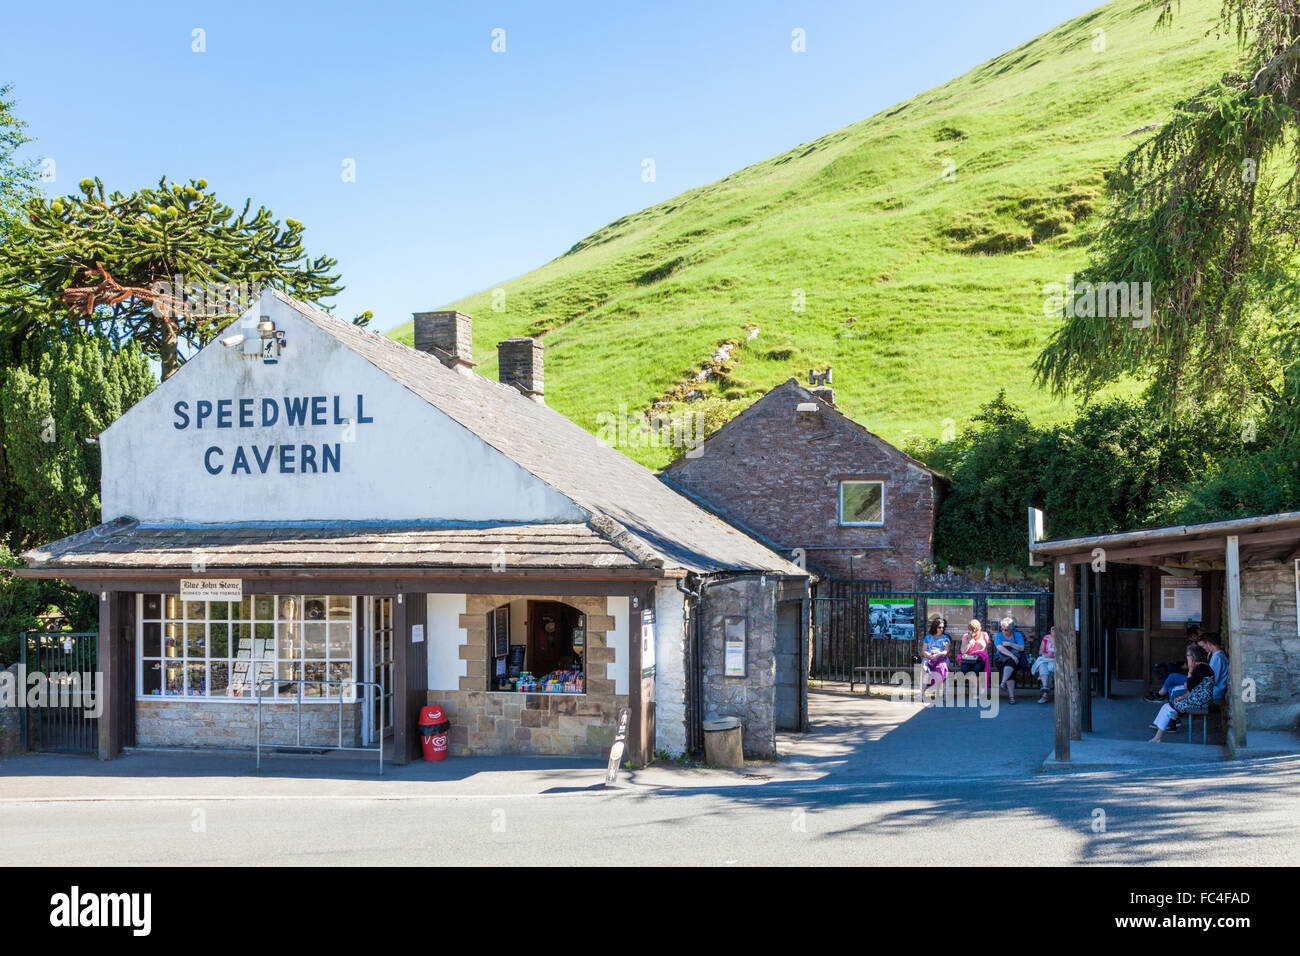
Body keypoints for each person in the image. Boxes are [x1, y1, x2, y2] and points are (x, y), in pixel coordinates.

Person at [1150, 644, 1215, 742]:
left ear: (1192, 657)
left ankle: (1158, 737)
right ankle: (1158, 737)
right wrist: (1183, 696)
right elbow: (1193, 688)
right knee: (1167, 706)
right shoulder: (1203, 667)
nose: (1187, 658)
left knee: (1167, 708)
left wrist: (1190, 669)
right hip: (1198, 698)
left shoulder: (1199, 669)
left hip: (1199, 701)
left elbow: (1188, 685)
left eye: (1188, 656)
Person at [1145, 624, 1203, 702]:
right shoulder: (1194, 646)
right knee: (1171, 668)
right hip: (1196, 674)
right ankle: (1166, 695)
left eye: (1199, 636)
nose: (1200, 637)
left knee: (1172, 676)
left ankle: (1160, 695)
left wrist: (1188, 673)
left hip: (1196, 677)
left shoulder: (1196, 648)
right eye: (1199, 635)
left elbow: (1192, 666)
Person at [994, 617, 1027, 705]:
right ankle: (1011, 697)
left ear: (1011, 629)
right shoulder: (999, 635)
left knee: (1011, 664)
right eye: (1002, 628)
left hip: (1014, 661)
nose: (1004, 631)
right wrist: (1012, 655)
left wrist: (1009, 644)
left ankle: (1003, 683)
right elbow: (1000, 648)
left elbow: (1022, 648)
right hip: (1001, 659)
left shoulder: (1017, 635)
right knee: (1011, 669)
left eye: (1006, 629)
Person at [959, 619, 991, 694]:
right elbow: (963, 651)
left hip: (979, 658)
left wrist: (985, 658)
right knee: (964, 669)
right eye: (971, 630)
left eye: (975, 630)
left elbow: (986, 648)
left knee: (977, 669)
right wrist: (970, 641)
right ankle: (978, 687)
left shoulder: (984, 635)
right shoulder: (965, 636)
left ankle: (975, 690)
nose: (973, 632)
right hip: (968, 658)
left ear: (979, 628)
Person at [921, 617, 950, 699]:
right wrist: (929, 656)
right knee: (924, 668)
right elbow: (923, 650)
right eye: (939, 627)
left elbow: (946, 651)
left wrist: (937, 655)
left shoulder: (945, 638)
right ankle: (922, 693)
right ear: (935, 627)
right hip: (929, 657)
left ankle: (945, 694)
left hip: (941, 657)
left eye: (942, 628)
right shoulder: (928, 637)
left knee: (943, 668)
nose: (941, 629)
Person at [1199, 632, 1229, 704]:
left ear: (1209, 643)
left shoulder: (1217, 657)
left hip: (1214, 693)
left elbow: (1213, 679)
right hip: (1213, 691)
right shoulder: (1218, 655)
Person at [1032, 625, 1056, 704]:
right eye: (1053, 629)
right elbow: (1040, 652)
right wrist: (1046, 655)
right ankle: (1045, 687)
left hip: (1057, 660)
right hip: (1046, 659)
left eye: (1056, 629)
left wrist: (1054, 655)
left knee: (1050, 669)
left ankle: (1045, 695)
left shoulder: (1061, 639)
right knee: (1042, 666)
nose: (1054, 630)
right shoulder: (1046, 638)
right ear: (1050, 631)